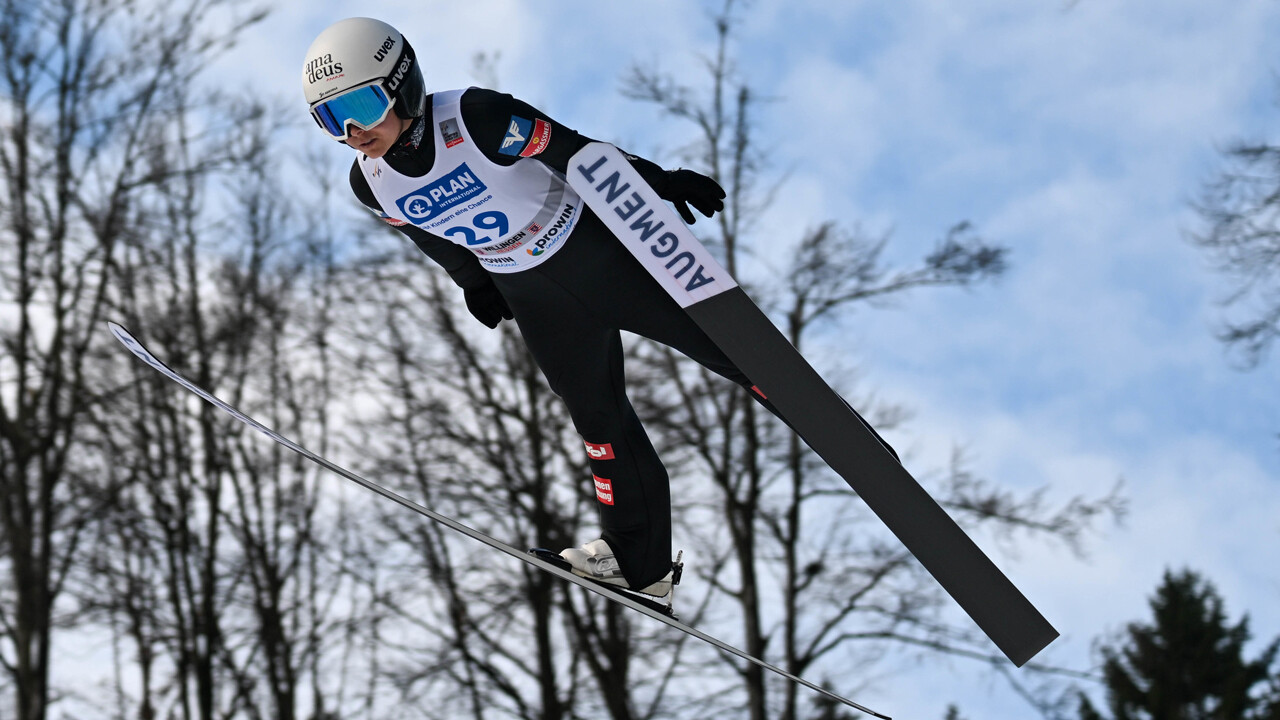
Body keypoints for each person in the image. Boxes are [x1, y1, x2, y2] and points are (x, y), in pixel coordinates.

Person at [302, 17, 763, 598]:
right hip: (534, 295)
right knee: (599, 422)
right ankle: (637, 562)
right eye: (328, 119)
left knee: (728, 348)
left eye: (362, 107)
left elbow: (577, 155)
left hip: (598, 255)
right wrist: (474, 282)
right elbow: (431, 234)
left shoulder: (476, 119)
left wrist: (659, 182)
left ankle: (831, 427)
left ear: (401, 83)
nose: (350, 131)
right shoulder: (371, 184)